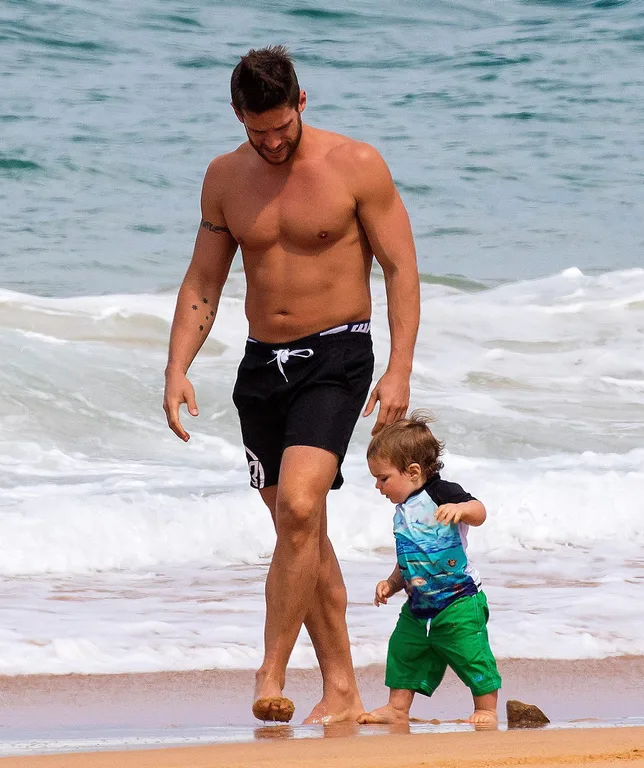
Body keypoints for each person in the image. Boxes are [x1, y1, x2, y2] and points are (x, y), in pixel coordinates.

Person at [162, 46, 420, 724]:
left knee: (301, 510)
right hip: (260, 366)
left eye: (281, 126)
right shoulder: (224, 178)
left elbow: (399, 267)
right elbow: (204, 280)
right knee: (298, 531)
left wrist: (398, 367)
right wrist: (176, 366)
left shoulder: (354, 166)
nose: (271, 142)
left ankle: (270, 667)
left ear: (301, 102)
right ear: (237, 116)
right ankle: (340, 689)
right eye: (257, 131)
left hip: (337, 354)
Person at [358, 412, 501, 728]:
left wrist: (460, 508)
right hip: (419, 603)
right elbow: (408, 557)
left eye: (383, 478)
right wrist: (392, 582)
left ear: (412, 472)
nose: (378, 486)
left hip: (459, 599)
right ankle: (397, 707)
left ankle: (487, 709)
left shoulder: (442, 492)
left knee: (470, 652)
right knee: (403, 648)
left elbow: (479, 512)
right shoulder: (402, 512)